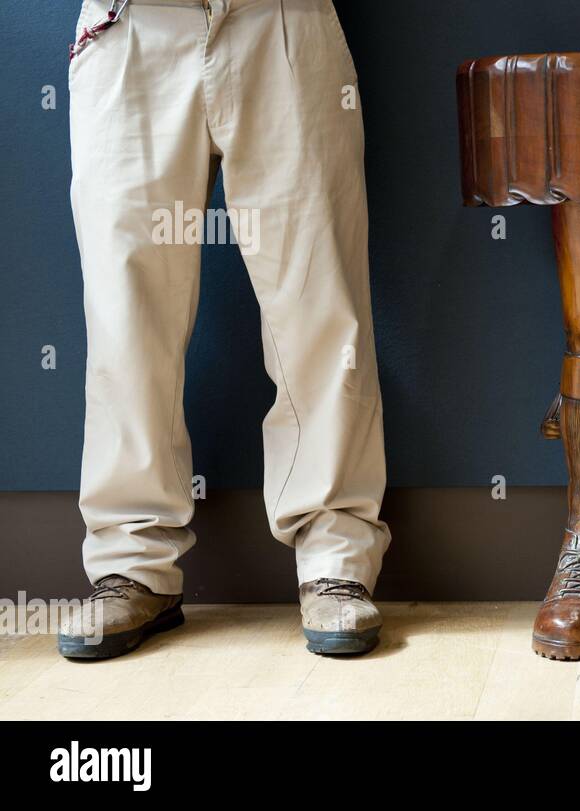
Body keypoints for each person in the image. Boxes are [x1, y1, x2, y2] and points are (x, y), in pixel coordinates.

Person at [57, 0, 389, 658]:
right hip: (130, 25)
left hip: (283, 18)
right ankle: (132, 560)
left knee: (318, 302)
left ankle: (336, 558)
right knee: (126, 318)